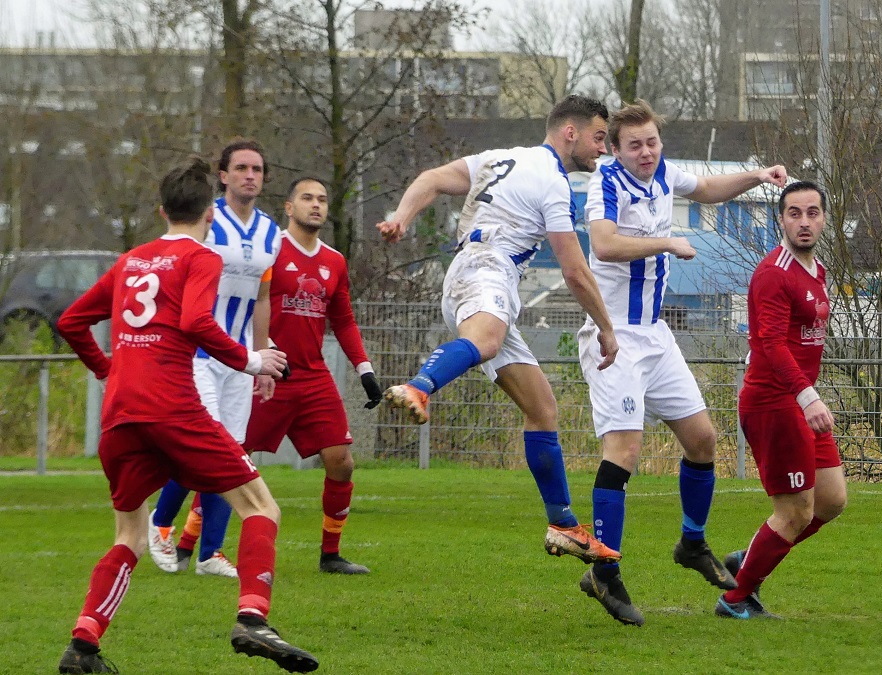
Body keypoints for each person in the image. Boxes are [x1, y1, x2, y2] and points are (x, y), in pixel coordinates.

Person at [54, 157, 317, 673]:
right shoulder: (202, 257)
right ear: (210, 215)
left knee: (128, 535)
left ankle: (83, 644)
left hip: (121, 415)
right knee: (262, 507)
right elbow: (197, 320)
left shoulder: (130, 260)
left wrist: (108, 372)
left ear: (161, 210)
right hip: (173, 407)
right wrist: (252, 359)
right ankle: (253, 620)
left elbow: (71, 321)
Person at [375, 94, 621, 565]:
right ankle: (418, 386)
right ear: (570, 132)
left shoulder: (501, 158)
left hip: (470, 271)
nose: (603, 149)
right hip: (488, 268)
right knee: (486, 343)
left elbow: (431, 179)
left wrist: (401, 218)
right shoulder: (552, 180)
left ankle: (563, 524)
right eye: (598, 137)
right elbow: (574, 271)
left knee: (542, 407)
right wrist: (606, 328)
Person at [575, 100, 789, 626]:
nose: (645, 152)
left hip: (656, 335)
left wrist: (758, 176)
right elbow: (602, 246)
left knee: (702, 440)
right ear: (616, 149)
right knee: (624, 448)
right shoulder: (605, 181)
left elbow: (708, 189)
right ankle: (603, 572)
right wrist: (667, 240)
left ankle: (691, 544)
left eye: (652, 142)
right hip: (612, 336)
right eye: (634, 145)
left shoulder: (664, 173)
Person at [146, 139, 281, 579]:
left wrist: (260, 358)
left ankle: (210, 554)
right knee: (205, 444)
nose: (250, 176)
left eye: (257, 169)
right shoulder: (206, 221)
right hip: (199, 353)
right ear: (223, 176)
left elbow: (262, 296)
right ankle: (161, 523)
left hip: (239, 357)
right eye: (241, 168)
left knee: (232, 451)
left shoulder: (269, 232)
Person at [715, 180, 847, 620]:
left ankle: (752, 556)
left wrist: (806, 396)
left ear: (825, 218)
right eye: (795, 213)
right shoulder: (773, 273)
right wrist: (807, 396)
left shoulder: (817, 270)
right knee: (793, 511)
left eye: (812, 212)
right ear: (781, 220)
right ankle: (734, 599)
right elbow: (770, 343)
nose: (804, 221)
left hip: (798, 401)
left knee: (830, 502)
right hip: (775, 402)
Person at [241, 177, 384, 574]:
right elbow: (250, 306)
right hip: (268, 372)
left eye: (322, 199)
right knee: (232, 459)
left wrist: (365, 370)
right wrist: (260, 354)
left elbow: (344, 320)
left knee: (341, 462)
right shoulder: (269, 252)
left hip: (313, 377)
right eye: (307, 198)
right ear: (289, 207)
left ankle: (331, 554)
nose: (316, 205)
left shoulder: (334, 261)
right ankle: (193, 545)